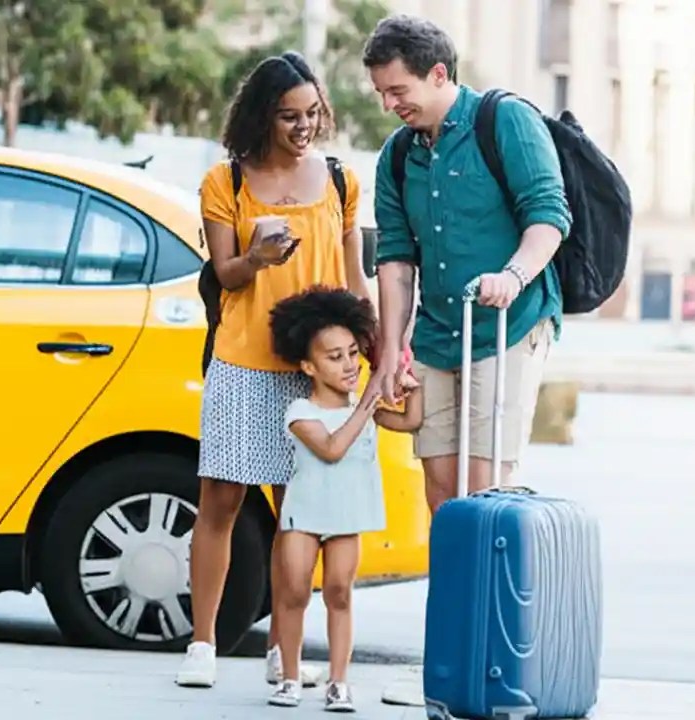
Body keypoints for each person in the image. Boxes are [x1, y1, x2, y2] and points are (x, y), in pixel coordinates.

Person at [360, 14, 573, 706]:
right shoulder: (399, 154)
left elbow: (549, 215)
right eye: (382, 93)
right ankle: (450, 659)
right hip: (438, 335)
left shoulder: (504, 121)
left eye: (398, 90)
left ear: (438, 74)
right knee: (442, 502)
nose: (389, 104)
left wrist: (513, 274)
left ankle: (492, 659)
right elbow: (396, 259)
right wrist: (390, 349)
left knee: (484, 492)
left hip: (507, 327)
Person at [175, 51, 370, 691]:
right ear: (263, 116)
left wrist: (373, 355)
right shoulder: (225, 181)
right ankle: (202, 643)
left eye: (312, 112)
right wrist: (258, 258)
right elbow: (225, 273)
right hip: (242, 362)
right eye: (289, 115)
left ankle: (282, 654)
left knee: (300, 513)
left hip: (312, 372)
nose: (304, 126)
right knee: (221, 501)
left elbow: (354, 281)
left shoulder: (340, 181)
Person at [264, 286, 423, 710]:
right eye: (335, 357)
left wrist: (410, 384)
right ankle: (290, 677)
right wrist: (369, 400)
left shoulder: (365, 409)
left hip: (346, 514)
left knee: (339, 591)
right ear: (308, 366)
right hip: (304, 515)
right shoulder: (301, 413)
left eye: (353, 353)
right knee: (294, 592)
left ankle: (339, 682)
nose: (350, 365)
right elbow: (332, 448)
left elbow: (411, 421)